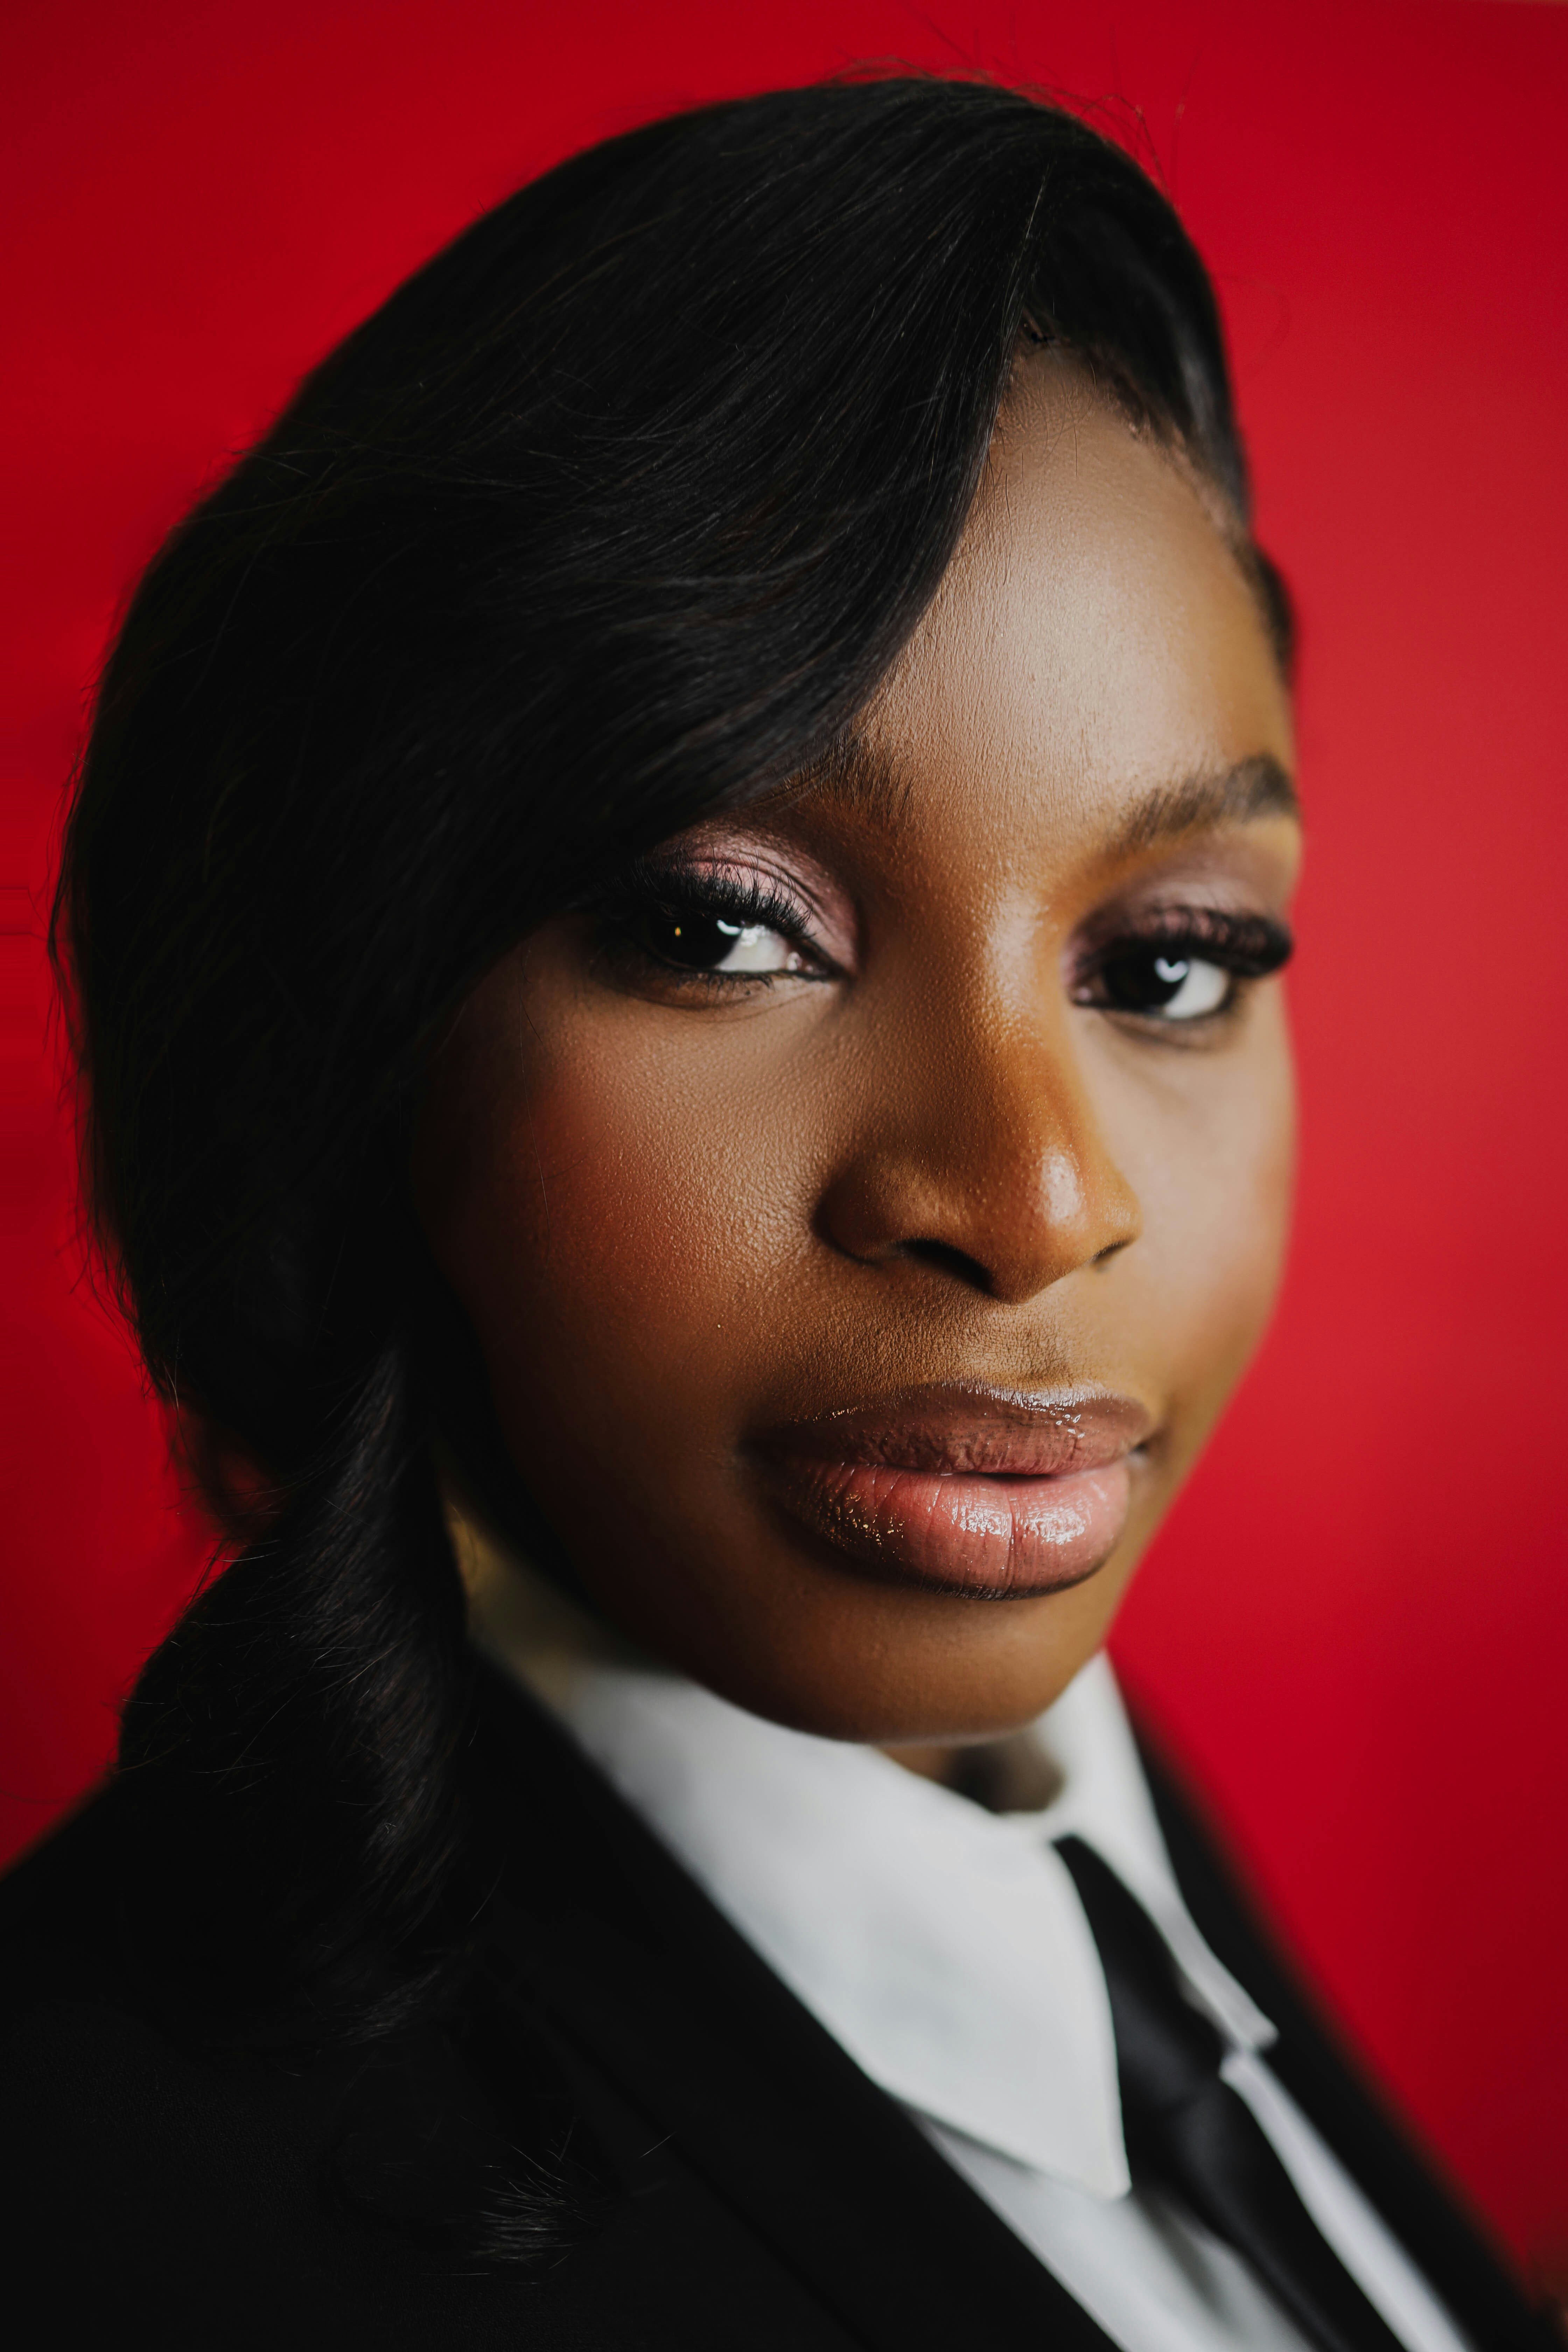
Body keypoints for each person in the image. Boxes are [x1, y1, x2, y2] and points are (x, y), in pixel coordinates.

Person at [0, 74, 1550, 2352]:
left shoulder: (1078, 1860)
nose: (1034, 1207)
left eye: (1168, 965)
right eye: (731, 935)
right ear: (369, 1013)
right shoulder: (97, 2219)